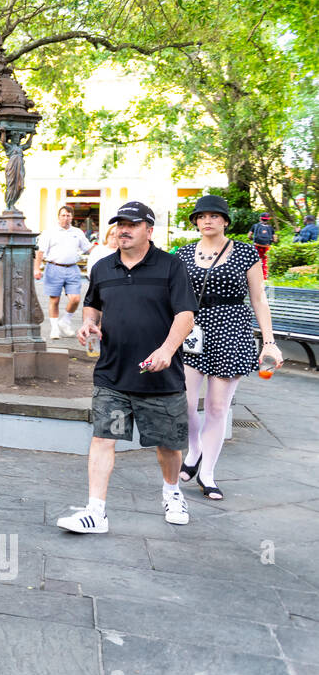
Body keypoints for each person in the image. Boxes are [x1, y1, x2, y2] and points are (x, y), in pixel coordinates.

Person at [56, 202, 198, 533]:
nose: (124, 229)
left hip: (160, 375)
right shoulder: (103, 267)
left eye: (132, 224)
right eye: (120, 224)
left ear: (149, 230)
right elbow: (92, 304)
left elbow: (186, 315)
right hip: (113, 373)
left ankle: (172, 492)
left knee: (168, 445)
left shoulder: (170, 266)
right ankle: (96, 512)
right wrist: (89, 323)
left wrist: (167, 350)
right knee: (103, 438)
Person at [175, 196, 282, 501]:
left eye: (214, 216)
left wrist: (269, 342)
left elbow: (259, 299)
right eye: (201, 216)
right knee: (184, 402)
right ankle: (194, 449)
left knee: (217, 407)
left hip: (232, 331)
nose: (207, 220)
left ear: (224, 221)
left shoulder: (245, 253)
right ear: (196, 222)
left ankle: (207, 472)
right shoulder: (183, 254)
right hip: (194, 332)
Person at [35, 205, 94, 339]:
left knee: (75, 299)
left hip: (72, 268)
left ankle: (65, 321)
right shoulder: (50, 232)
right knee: (54, 300)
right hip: (54, 267)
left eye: (68, 215)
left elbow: (89, 248)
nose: (65, 218)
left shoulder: (77, 232)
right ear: (58, 217)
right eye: (63, 215)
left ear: (72, 217)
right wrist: (36, 268)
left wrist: (105, 253)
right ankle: (55, 328)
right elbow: (40, 252)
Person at [249, 213, 275, 278]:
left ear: (260, 218)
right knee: (265, 260)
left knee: (255, 260)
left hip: (257, 245)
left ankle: (255, 275)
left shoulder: (255, 226)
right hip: (266, 246)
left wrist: (252, 239)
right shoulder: (270, 227)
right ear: (268, 220)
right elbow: (274, 239)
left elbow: (249, 236)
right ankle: (264, 276)